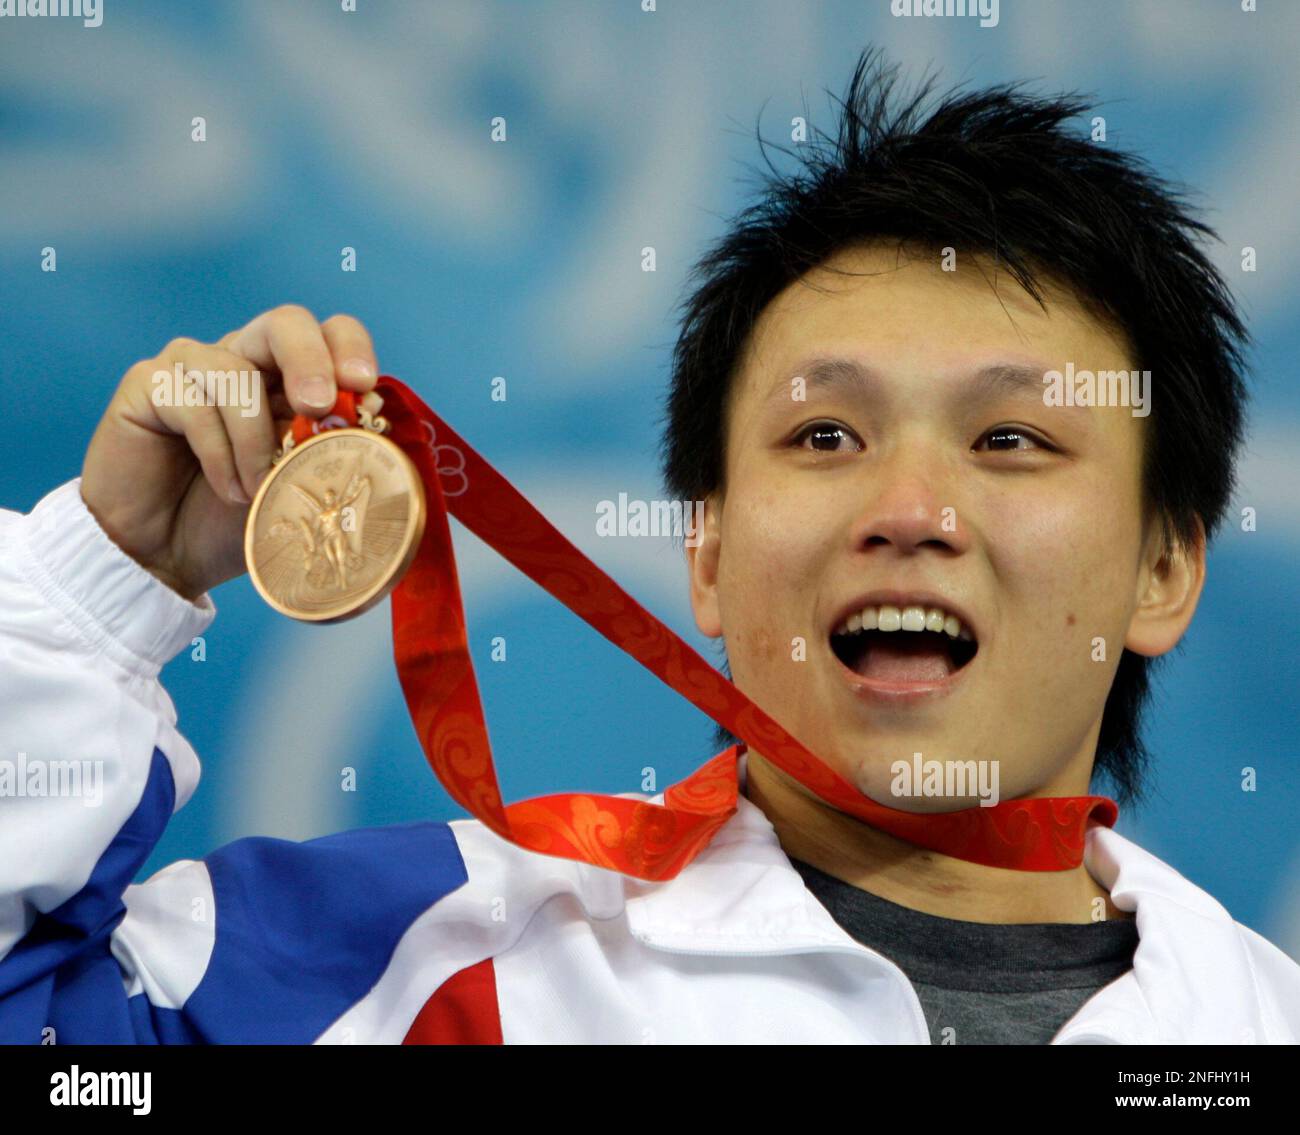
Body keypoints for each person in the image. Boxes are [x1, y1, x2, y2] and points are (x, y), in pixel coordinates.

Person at [2, 47, 1297, 1045]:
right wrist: (106, 581)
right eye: (826, 437)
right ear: (711, 558)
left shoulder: (1254, 1026)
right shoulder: (413, 961)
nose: (910, 508)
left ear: (1163, 570)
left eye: (1009, 440)